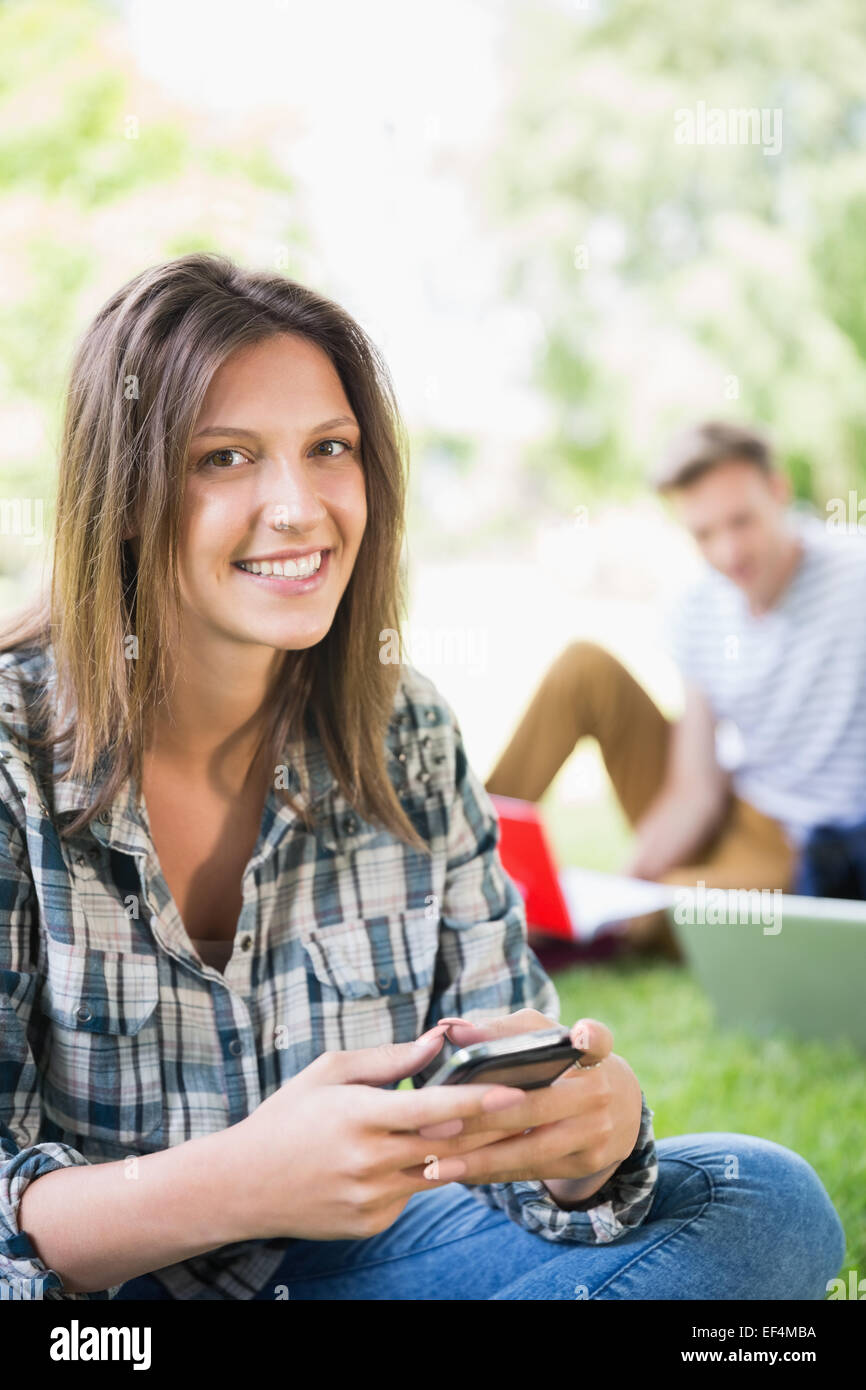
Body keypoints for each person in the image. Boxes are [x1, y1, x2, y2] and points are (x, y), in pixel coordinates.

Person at [0, 260, 844, 1300]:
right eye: (223, 458)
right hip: (100, 1304)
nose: (297, 506)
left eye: (330, 449)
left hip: (353, 1271)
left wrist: (585, 1149)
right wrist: (238, 1183)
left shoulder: (405, 733)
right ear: (122, 494)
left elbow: (514, 1118)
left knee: (759, 1202)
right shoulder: (14, 756)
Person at [485, 421, 866, 959]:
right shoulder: (699, 605)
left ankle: (595, 931)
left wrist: (637, 902)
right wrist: (628, 883)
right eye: (705, 534)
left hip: (803, 849)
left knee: (684, 908)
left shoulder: (854, 578)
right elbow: (695, 789)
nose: (729, 551)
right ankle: (460, 860)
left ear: (779, 492)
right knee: (583, 666)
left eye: (742, 521)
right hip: (733, 807)